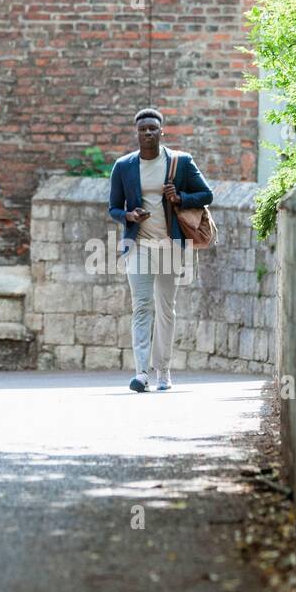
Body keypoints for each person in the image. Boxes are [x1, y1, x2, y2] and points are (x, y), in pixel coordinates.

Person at [108, 107, 214, 393]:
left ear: (161, 131)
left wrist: (179, 197)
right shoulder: (124, 166)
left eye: (153, 128)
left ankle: (163, 371)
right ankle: (141, 372)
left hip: (169, 245)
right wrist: (129, 217)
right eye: (143, 129)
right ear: (137, 133)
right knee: (141, 307)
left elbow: (207, 194)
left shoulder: (180, 162)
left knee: (166, 309)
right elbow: (114, 208)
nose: (148, 133)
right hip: (139, 244)